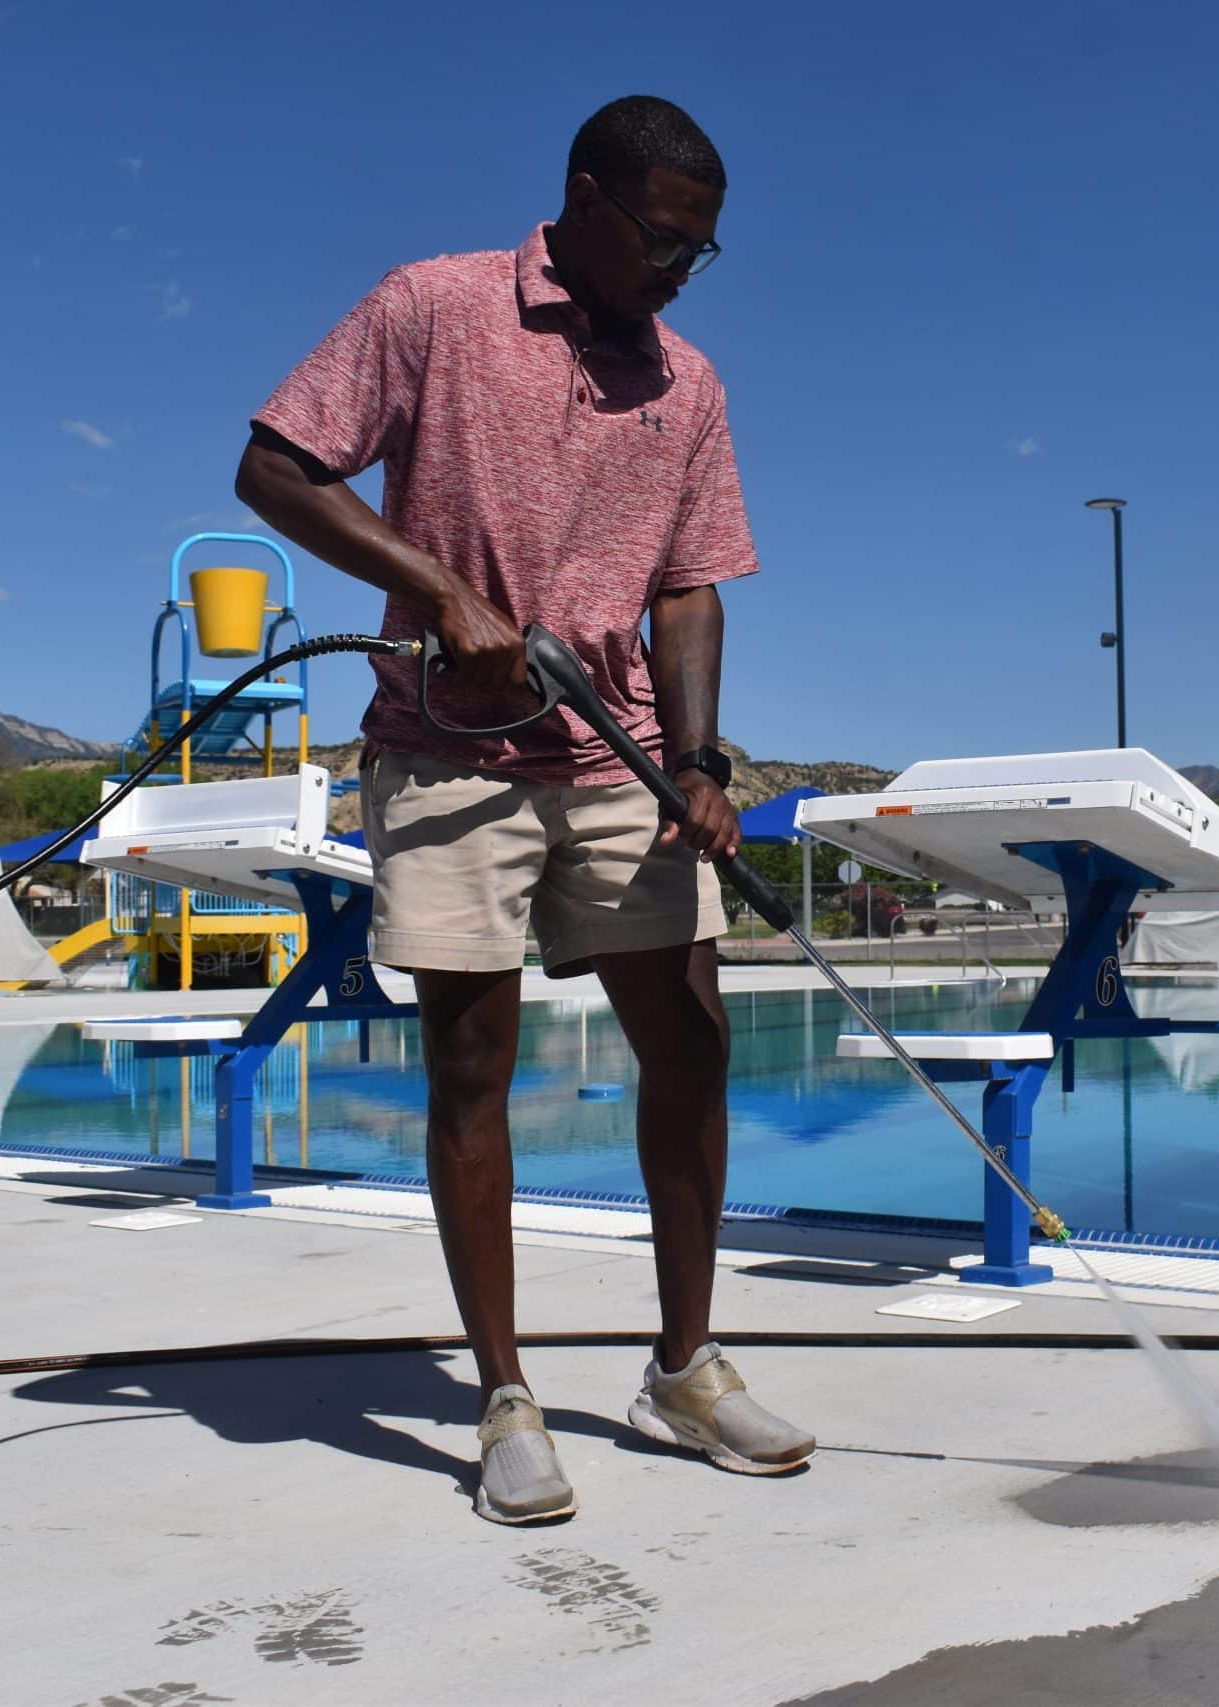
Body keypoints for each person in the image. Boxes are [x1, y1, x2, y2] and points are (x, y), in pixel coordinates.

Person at [234, 95, 811, 1525]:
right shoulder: (434, 307)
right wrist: (439, 592)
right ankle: (504, 1397)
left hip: (615, 763)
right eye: (665, 240)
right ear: (585, 199)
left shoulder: (691, 384)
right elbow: (275, 466)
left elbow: (688, 584)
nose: (681, 270)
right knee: (474, 1066)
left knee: (691, 1042)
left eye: (703, 250)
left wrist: (698, 765)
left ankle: (683, 1368)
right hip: (448, 755)